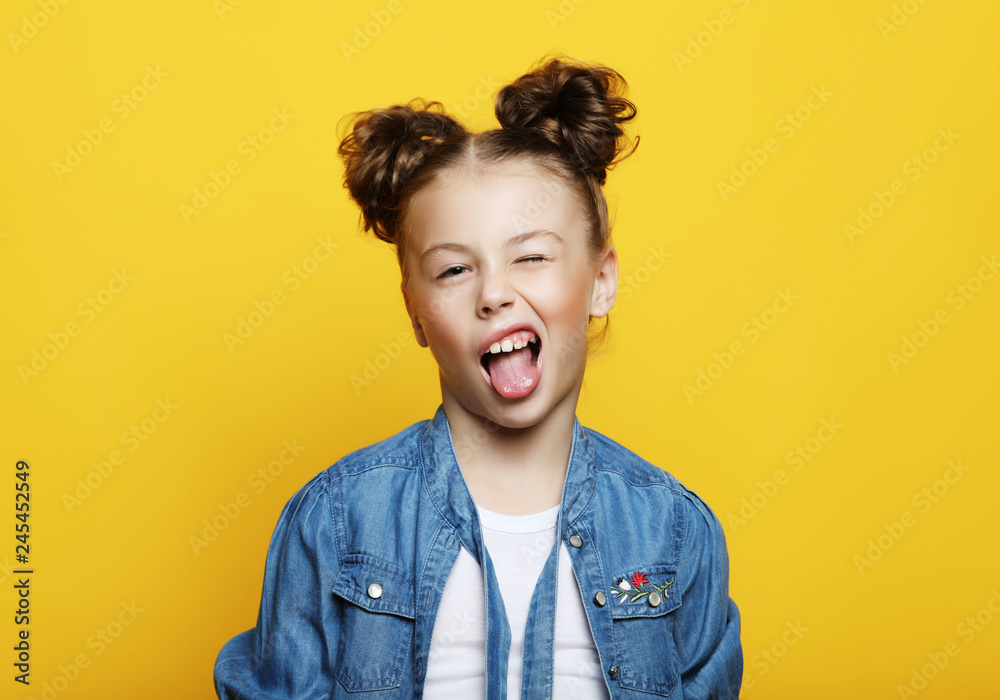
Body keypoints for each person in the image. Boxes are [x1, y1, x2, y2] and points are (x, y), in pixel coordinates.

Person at [214, 54, 742, 699]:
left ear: (600, 281)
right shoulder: (336, 520)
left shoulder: (673, 530)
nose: (494, 293)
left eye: (532, 256)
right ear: (415, 311)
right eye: (454, 270)